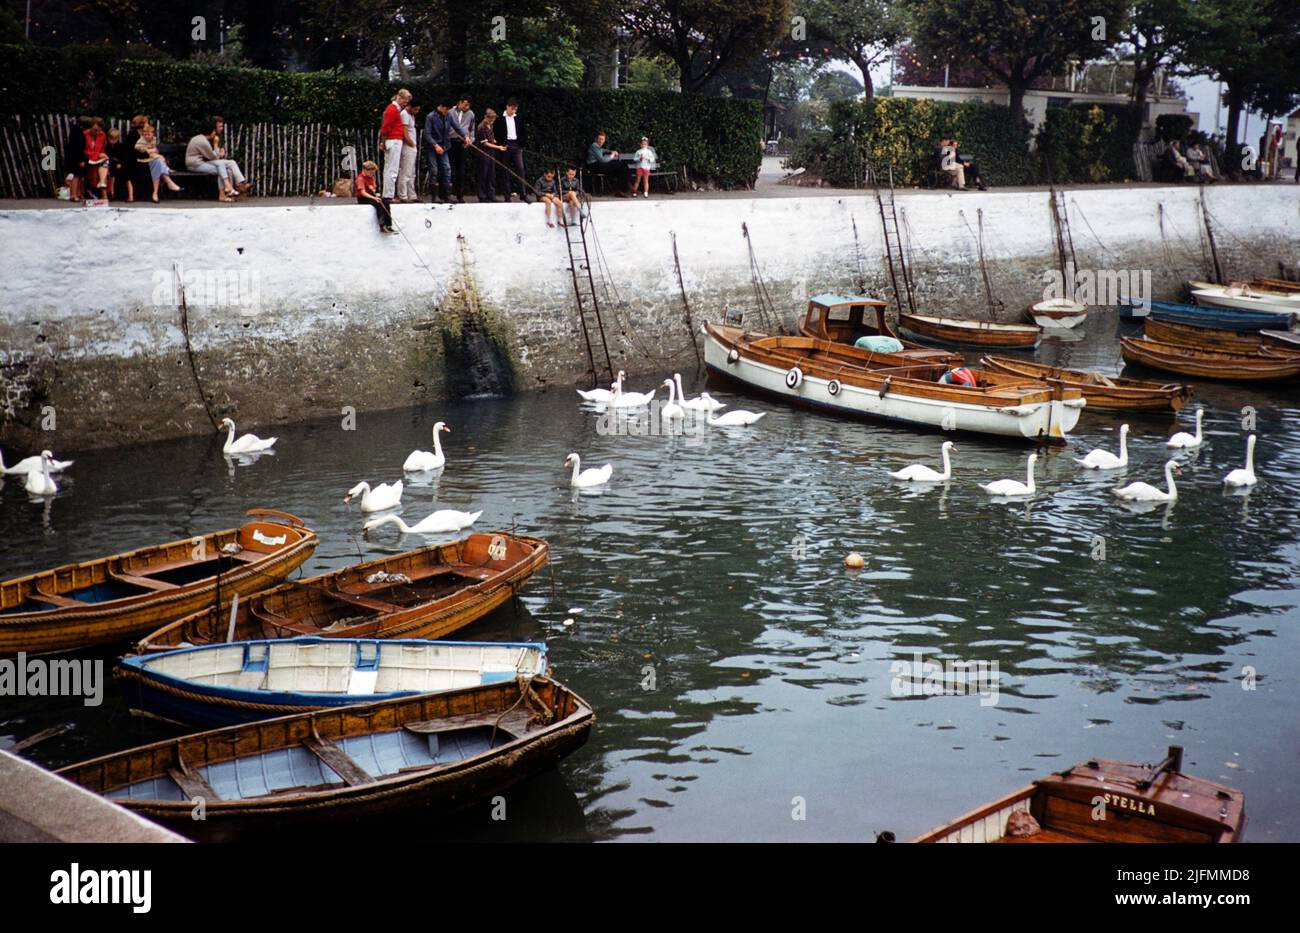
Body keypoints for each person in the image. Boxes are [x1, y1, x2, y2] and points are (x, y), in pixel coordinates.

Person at [186, 116, 249, 201]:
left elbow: (214, 157)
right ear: (212, 130)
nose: (220, 130)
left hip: (204, 162)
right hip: (196, 164)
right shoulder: (203, 141)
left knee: (229, 164)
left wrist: (219, 153)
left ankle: (235, 186)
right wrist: (216, 145)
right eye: (219, 127)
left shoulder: (205, 138)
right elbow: (214, 157)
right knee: (223, 168)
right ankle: (227, 190)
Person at [133, 121, 183, 201]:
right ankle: (168, 182)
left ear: (153, 134)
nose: (146, 136)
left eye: (148, 134)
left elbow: (155, 150)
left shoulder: (154, 140)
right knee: (158, 160)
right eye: (144, 134)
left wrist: (154, 152)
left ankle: (156, 192)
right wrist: (151, 151)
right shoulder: (139, 140)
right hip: (141, 162)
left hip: (150, 159)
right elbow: (140, 150)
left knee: (158, 161)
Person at [379, 89, 411, 206]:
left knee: (389, 168)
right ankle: (389, 195)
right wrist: (383, 141)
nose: (405, 104)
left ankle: (387, 194)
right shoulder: (392, 110)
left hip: (392, 140)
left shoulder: (393, 109)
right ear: (400, 98)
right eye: (405, 101)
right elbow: (386, 128)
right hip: (394, 141)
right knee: (392, 169)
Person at [496, 98, 529, 202]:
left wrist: (521, 144)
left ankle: (523, 194)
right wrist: (501, 144)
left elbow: (523, 132)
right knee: (505, 170)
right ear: (507, 107)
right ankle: (507, 196)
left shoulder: (518, 118)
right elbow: (496, 133)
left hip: (516, 145)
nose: (513, 111)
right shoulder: (500, 119)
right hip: (506, 145)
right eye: (512, 109)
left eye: (515, 109)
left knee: (520, 168)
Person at [446, 96, 476, 203]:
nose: (467, 107)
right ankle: (447, 194)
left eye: (468, 105)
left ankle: (460, 195)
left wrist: (471, 140)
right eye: (465, 104)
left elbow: (472, 129)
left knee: (461, 170)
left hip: (463, 143)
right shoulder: (450, 112)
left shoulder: (471, 114)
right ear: (460, 102)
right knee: (448, 168)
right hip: (451, 141)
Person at [423, 101, 453, 203]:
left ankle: (446, 195)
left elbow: (456, 126)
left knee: (447, 169)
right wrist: (435, 145)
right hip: (433, 147)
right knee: (434, 170)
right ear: (440, 106)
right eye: (446, 109)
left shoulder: (448, 115)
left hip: (444, 146)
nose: (447, 111)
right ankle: (434, 197)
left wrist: (465, 136)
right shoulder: (430, 117)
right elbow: (427, 133)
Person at [586, 131, 632, 195]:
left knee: (622, 167)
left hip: (598, 165)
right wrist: (612, 155)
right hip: (594, 166)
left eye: (603, 139)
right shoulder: (594, 145)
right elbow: (602, 160)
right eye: (599, 139)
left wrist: (611, 151)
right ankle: (622, 189)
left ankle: (620, 189)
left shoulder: (598, 147)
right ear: (596, 139)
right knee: (622, 165)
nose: (601, 141)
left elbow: (603, 150)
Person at [355, 160, 394, 234]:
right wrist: (374, 198)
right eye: (371, 172)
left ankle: (389, 225)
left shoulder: (371, 178)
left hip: (371, 195)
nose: (372, 174)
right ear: (365, 170)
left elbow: (374, 188)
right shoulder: (360, 179)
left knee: (386, 202)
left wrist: (375, 192)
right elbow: (363, 193)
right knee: (378, 204)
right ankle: (382, 226)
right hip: (363, 198)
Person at [476, 109, 506, 203]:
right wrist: (498, 147)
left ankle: (491, 195)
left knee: (491, 174)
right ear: (486, 117)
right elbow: (485, 144)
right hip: (483, 152)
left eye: (493, 119)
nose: (492, 121)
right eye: (490, 119)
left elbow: (491, 139)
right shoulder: (481, 127)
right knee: (483, 174)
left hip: (491, 152)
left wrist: (495, 142)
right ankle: (482, 196)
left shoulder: (491, 125)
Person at [61, 115, 91, 200]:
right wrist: (81, 160)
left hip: (76, 157)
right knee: (76, 176)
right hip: (76, 158)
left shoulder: (76, 131)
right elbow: (78, 148)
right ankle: (73, 195)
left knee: (80, 176)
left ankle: (78, 193)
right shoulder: (78, 134)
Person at [397, 102, 419, 201]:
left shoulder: (410, 115)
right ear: (410, 106)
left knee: (412, 172)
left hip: (412, 146)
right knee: (406, 171)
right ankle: (403, 195)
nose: (417, 112)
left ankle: (412, 194)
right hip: (408, 146)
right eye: (415, 109)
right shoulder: (404, 115)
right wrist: (411, 143)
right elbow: (404, 132)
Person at [83, 117, 109, 199]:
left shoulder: (102, 135)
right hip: (87, 158)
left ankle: (102, 183)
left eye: (99, 130)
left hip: (97, 159)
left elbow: (102, 150)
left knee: (106, 161)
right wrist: (98, 155)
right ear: (90, 127)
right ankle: (103, 193)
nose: (97, 132)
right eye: (95, 130)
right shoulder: (84, 135)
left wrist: (102, 155)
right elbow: (83, 151)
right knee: (99, 166)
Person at [105, 127, 133, 201]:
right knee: (111, 174)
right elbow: (107, 157)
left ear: (117, 138)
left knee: (127, 176)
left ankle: (131, 195)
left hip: (122, 164)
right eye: (111, 139)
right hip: (111, 165)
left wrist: (120, 163)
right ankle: (111, 192)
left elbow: (125, 158)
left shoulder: (121, 146)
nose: (113, 141)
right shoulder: (107, 147)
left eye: (115, 139)